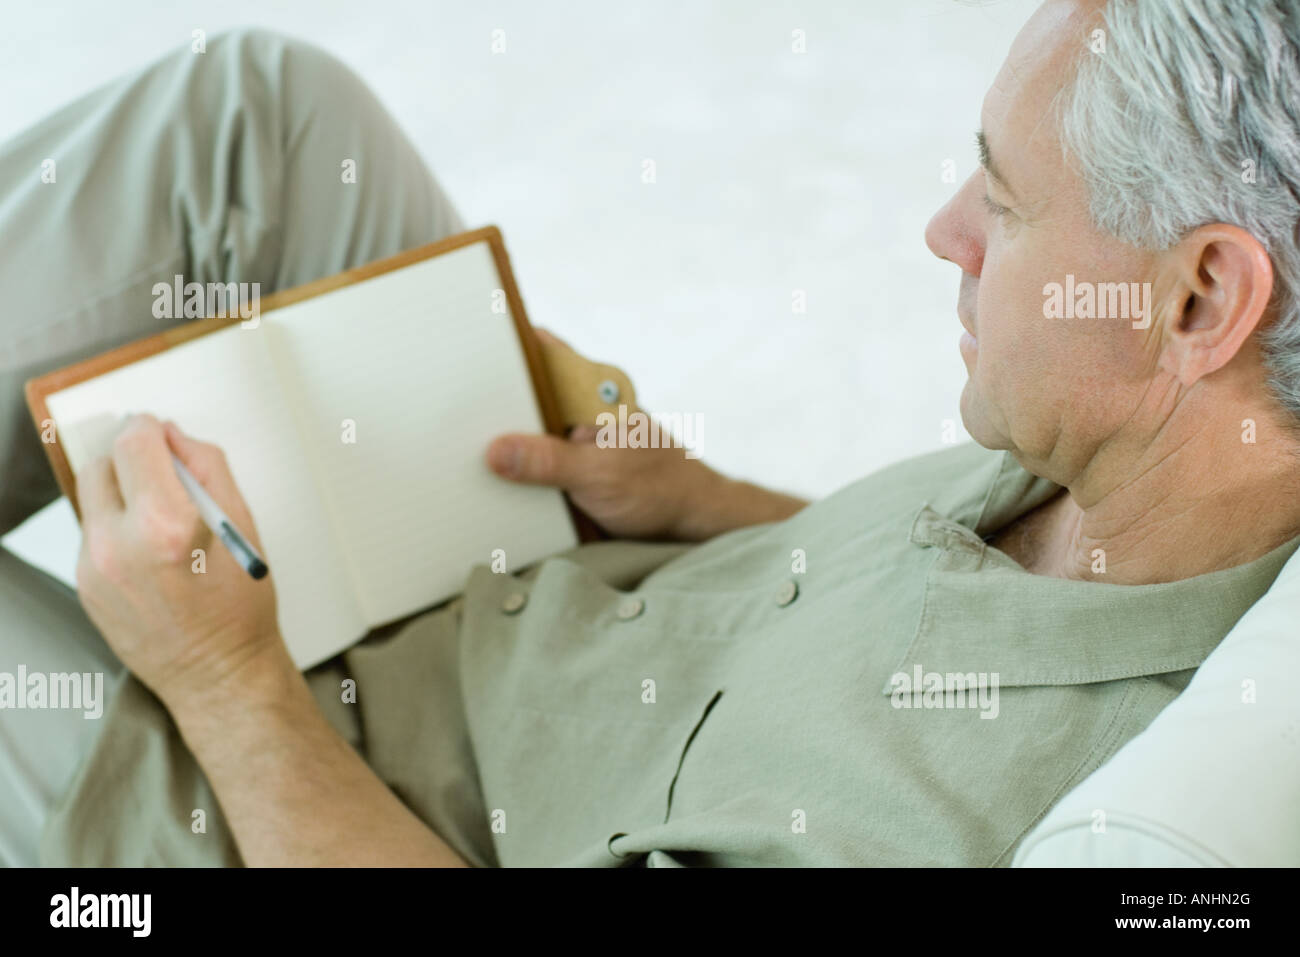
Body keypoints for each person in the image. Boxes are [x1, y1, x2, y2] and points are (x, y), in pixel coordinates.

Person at [4, 0, 1300, 867]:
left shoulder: (976, 808)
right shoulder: (1129, 460)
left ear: (1198, 299)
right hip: (519, 583)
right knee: (263, 112)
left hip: (269, 791)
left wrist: (224, 684)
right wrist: (708, 501)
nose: (946, 229)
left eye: (1006, 203)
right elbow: (941, 604)